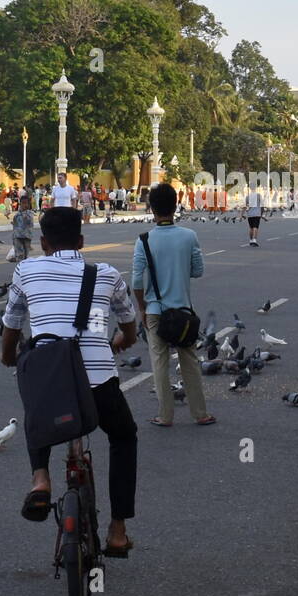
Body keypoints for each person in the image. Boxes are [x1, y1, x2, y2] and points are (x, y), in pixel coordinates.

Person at [0, 207, 140, 556]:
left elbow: (12, 324)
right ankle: (118, 530)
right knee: (124, 436)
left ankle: (41, 478)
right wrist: (122, 340)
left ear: (43, 242)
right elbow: (128, 324)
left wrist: (8, 357)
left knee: (37, 405)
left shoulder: (26, 269)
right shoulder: (105, 274)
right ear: (81, 241)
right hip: (98, 382)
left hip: (52, 379)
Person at [132, 183, 215, 428]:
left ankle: (165, 415)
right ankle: (200, 413)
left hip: (156, 311)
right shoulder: (189, 236)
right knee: (189, 362)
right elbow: (198, 271)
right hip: (183, 313)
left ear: (152, 208)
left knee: (160, 364)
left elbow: (137, 279)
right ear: (176, 205)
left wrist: (142, 307)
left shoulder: (144, 240)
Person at [11, 194, 36, 261]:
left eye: (26, 203)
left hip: (26, 236)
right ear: (20, 204)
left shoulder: (30, 213)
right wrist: (13, 238)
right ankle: (20, 268)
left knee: (26, 255)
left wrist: (25, 216)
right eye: (23, 203)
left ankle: (24, 267)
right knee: (19, 255)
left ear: (29, 204)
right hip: (17, 236)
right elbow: (14, 226)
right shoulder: (17, 214)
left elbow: (29, 222)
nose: (25, 205)